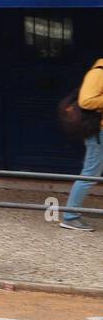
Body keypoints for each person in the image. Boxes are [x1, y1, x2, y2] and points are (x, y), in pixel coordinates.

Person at [62, 57, 103, 231]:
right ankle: (70, 216)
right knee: (90, 174)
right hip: (99, 133)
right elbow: (86, 101)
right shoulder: (98, 73)